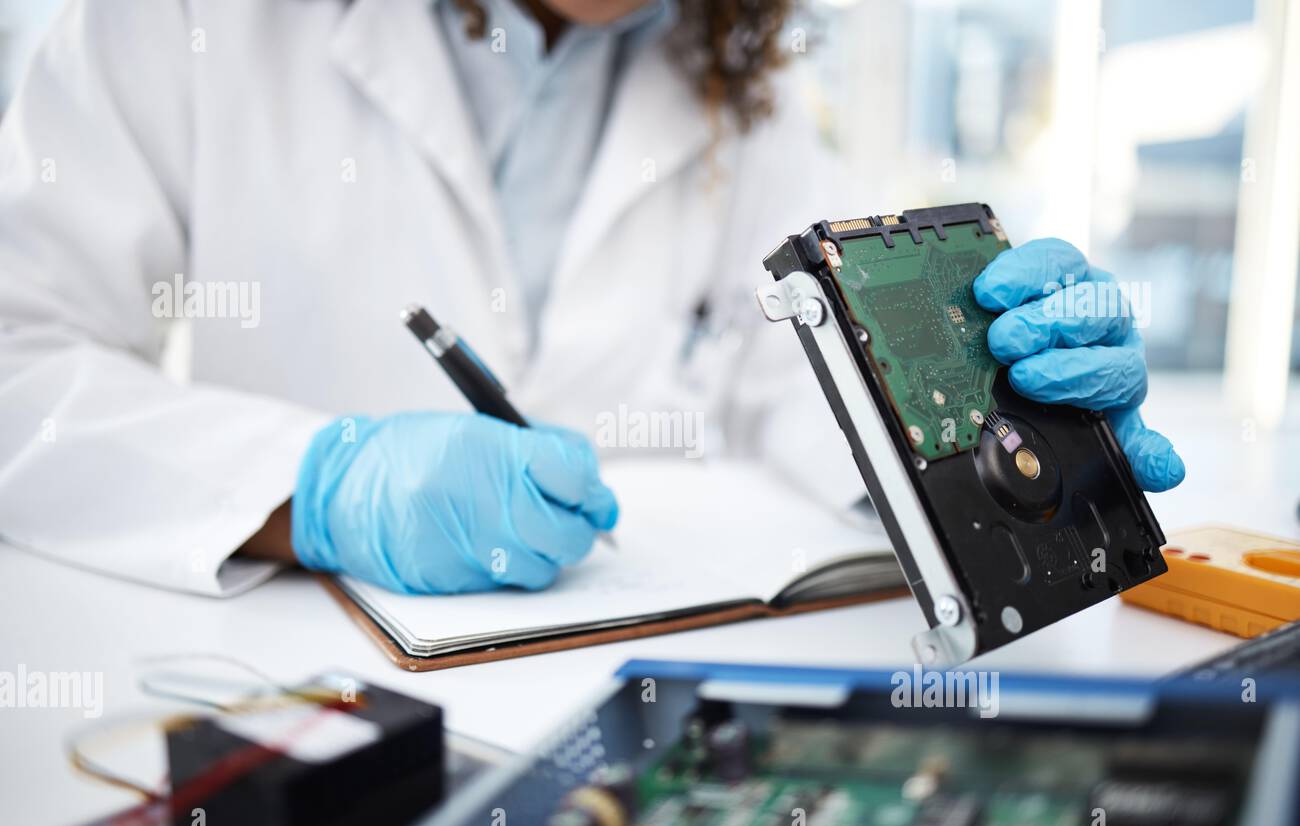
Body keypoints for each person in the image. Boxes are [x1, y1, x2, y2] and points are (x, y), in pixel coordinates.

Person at [0, 0, 1183, 597]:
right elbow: (18, 360)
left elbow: (793, 379)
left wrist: (994, 431)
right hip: (301, 714)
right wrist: (315, 491)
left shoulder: (737, 78)